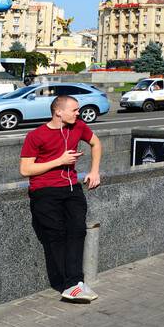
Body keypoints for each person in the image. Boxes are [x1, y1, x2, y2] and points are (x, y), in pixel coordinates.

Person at [19, 95, 102, 303]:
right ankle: (71, 284)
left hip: (72, 188)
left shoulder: (79, 127)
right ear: (59, 112)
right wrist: (60, 161)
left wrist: (94, 171)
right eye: (74, 110)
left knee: (77, 230)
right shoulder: (36, 135)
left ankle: (74, 283)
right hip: (44, 191)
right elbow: (25, 169)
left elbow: (96, 143)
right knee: (56, 235)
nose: (78, 113)